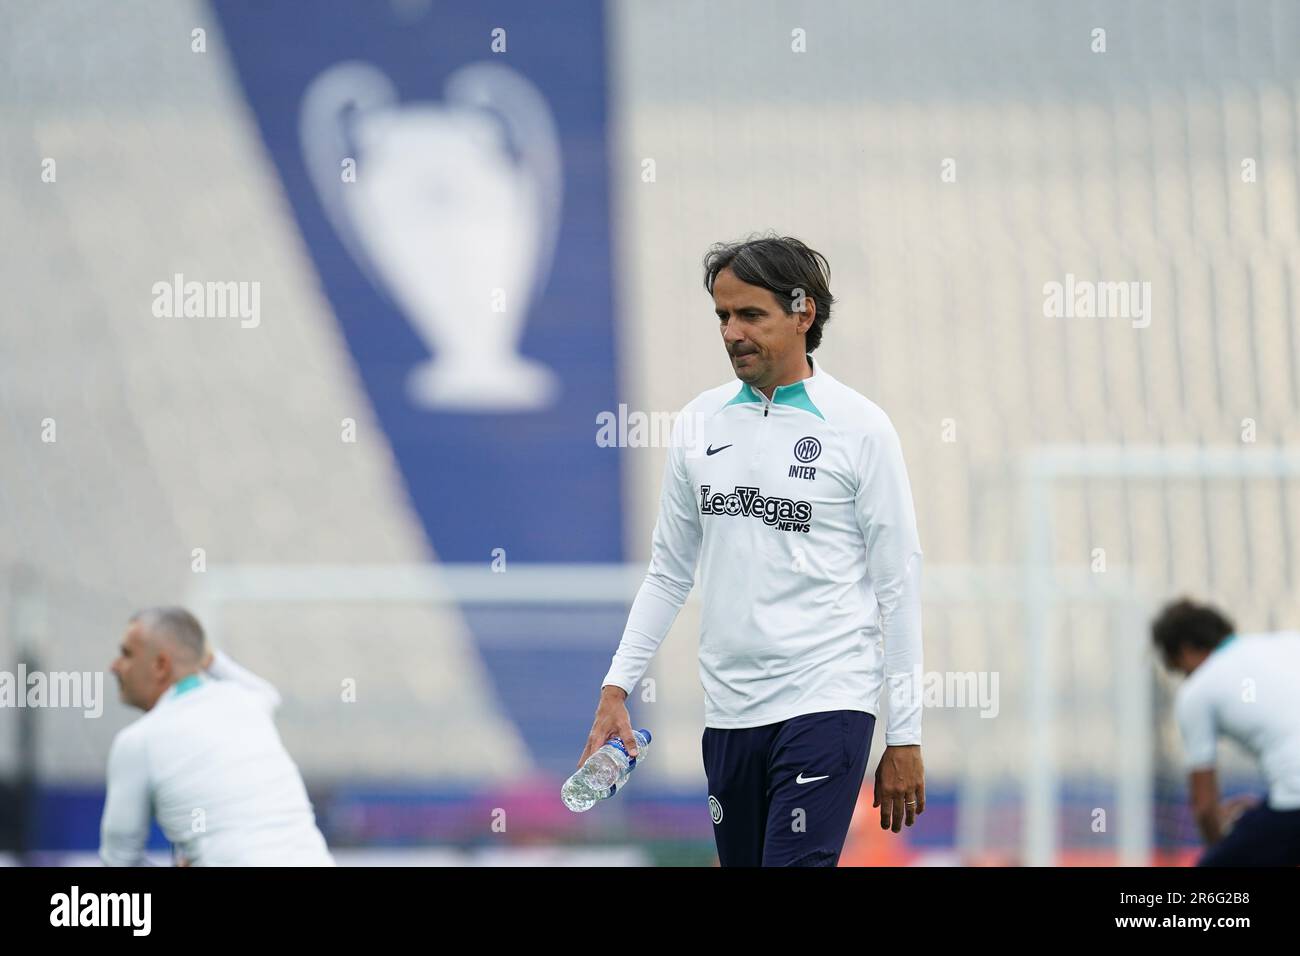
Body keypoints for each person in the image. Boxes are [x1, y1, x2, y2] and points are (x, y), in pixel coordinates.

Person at [580, 234, 925, 866]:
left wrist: (904, 733)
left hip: (828, 700)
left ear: (803, 313)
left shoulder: (861, 427)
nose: (732, 332)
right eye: (722, 316)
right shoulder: (698, 424)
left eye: (751, 315)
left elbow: (898, 585)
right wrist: (616, 688)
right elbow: (667, 573)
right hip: (730, 712)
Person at [100, 606, 334, 866]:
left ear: (160, 665)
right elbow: (269, 694)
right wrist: (208, 658)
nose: (114, 666)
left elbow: (118, 861)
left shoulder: (137, 742)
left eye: (126, 654)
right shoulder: (247, 702)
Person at [1152, 597, 1300, 866]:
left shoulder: (1197, 689)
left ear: (1185, 651)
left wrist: (1223, 848)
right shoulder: (1288, 643)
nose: (1183, 677)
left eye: (1178, 669)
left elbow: (1204, 806)